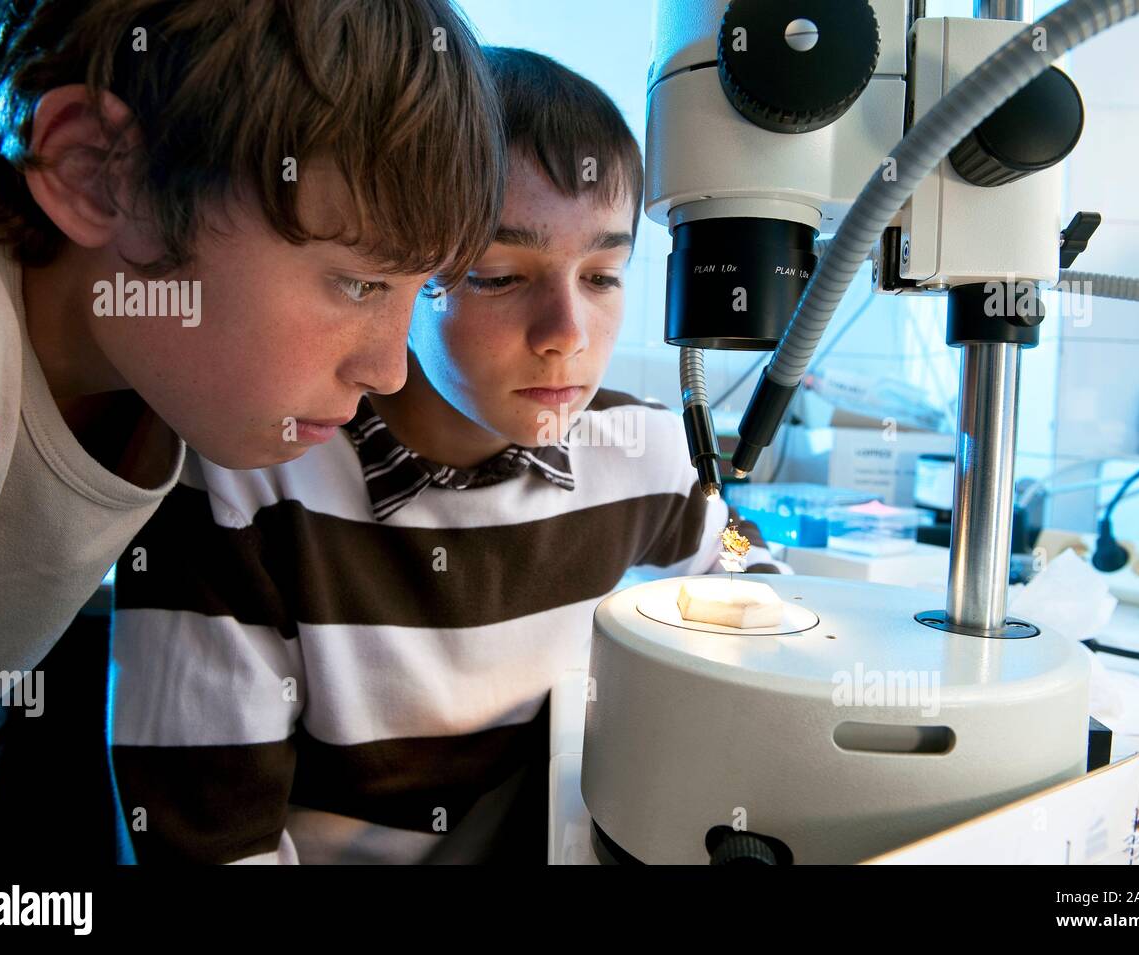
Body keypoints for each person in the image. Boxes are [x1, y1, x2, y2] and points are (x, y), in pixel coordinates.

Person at [109, 47, 786, 864]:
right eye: (500, 276)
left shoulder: (646, 453)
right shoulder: (246, 479)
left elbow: (752, 574)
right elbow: (211, 848)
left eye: (603, 276)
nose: (566, 334)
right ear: (402, 266)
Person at [0, 0, 504, 846]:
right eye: (356, 282)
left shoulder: (141, 366)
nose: (390, 370)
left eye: (417, 288)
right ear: (96, 170)